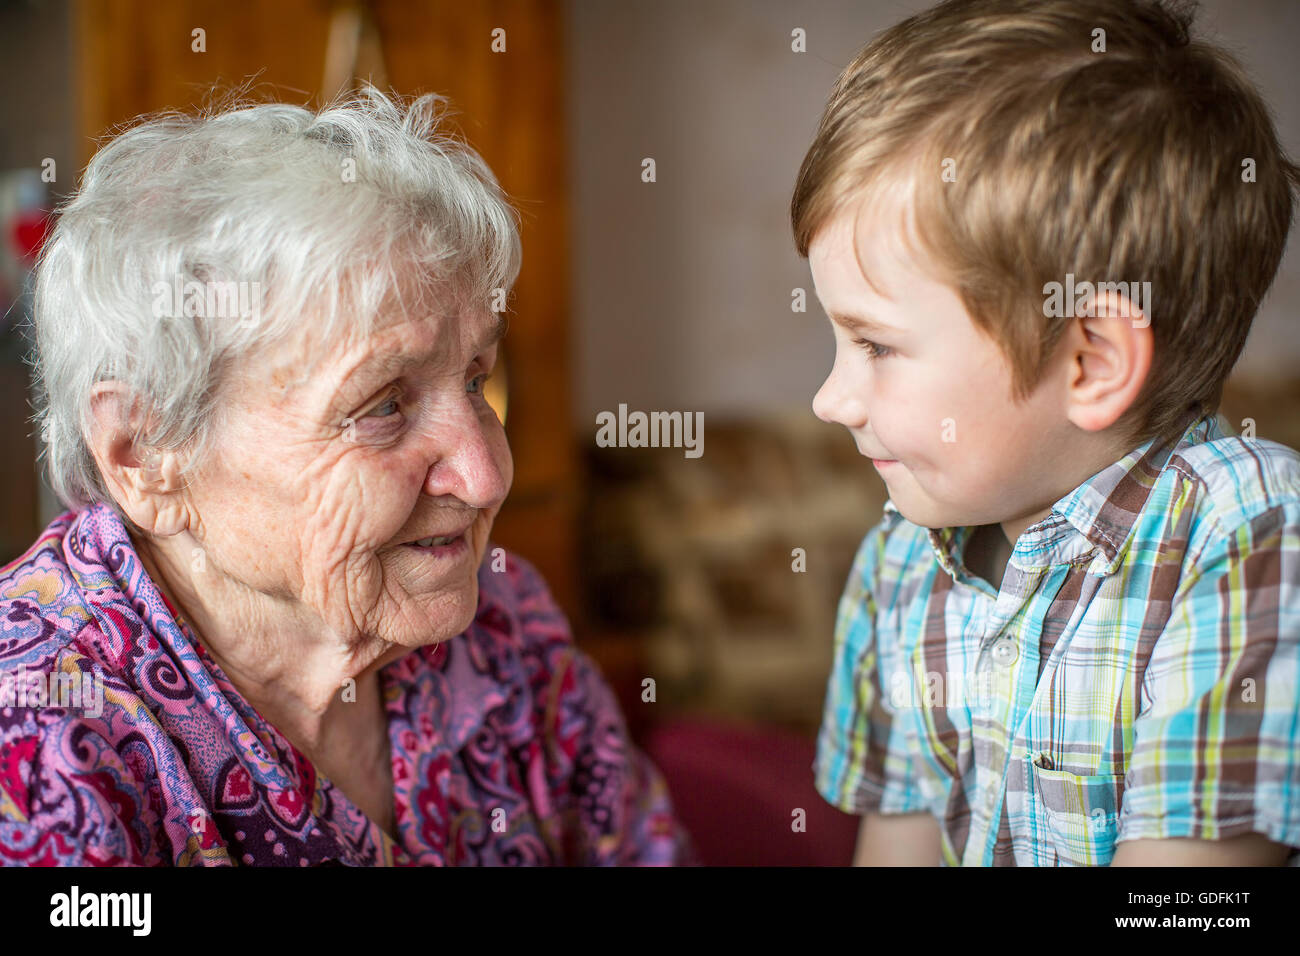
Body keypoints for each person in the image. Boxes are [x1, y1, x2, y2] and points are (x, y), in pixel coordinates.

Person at [0, 87, 695, 866]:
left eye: (475, 378)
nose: (485, 474)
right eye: (382, 406)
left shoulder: (502, 622)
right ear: (145, 453)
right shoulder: (35, 737)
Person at [792, 0, 1300, 865]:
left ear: (1090, 363)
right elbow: (899, 845)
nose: (830, 399)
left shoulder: (1245, 534)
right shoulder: (902, 557)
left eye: (876, 344)